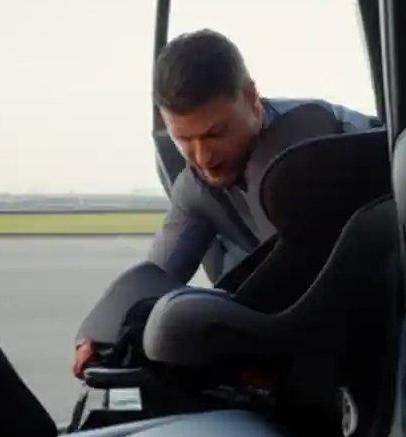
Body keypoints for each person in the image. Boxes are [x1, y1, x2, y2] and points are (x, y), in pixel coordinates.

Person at [72, 28, 377, 377]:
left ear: (252, 99)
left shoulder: (323, 139)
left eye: (216, 133)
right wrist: (101, 334)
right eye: (184, 139)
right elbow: (161, 271)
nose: (203, 157)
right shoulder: (195, 187)